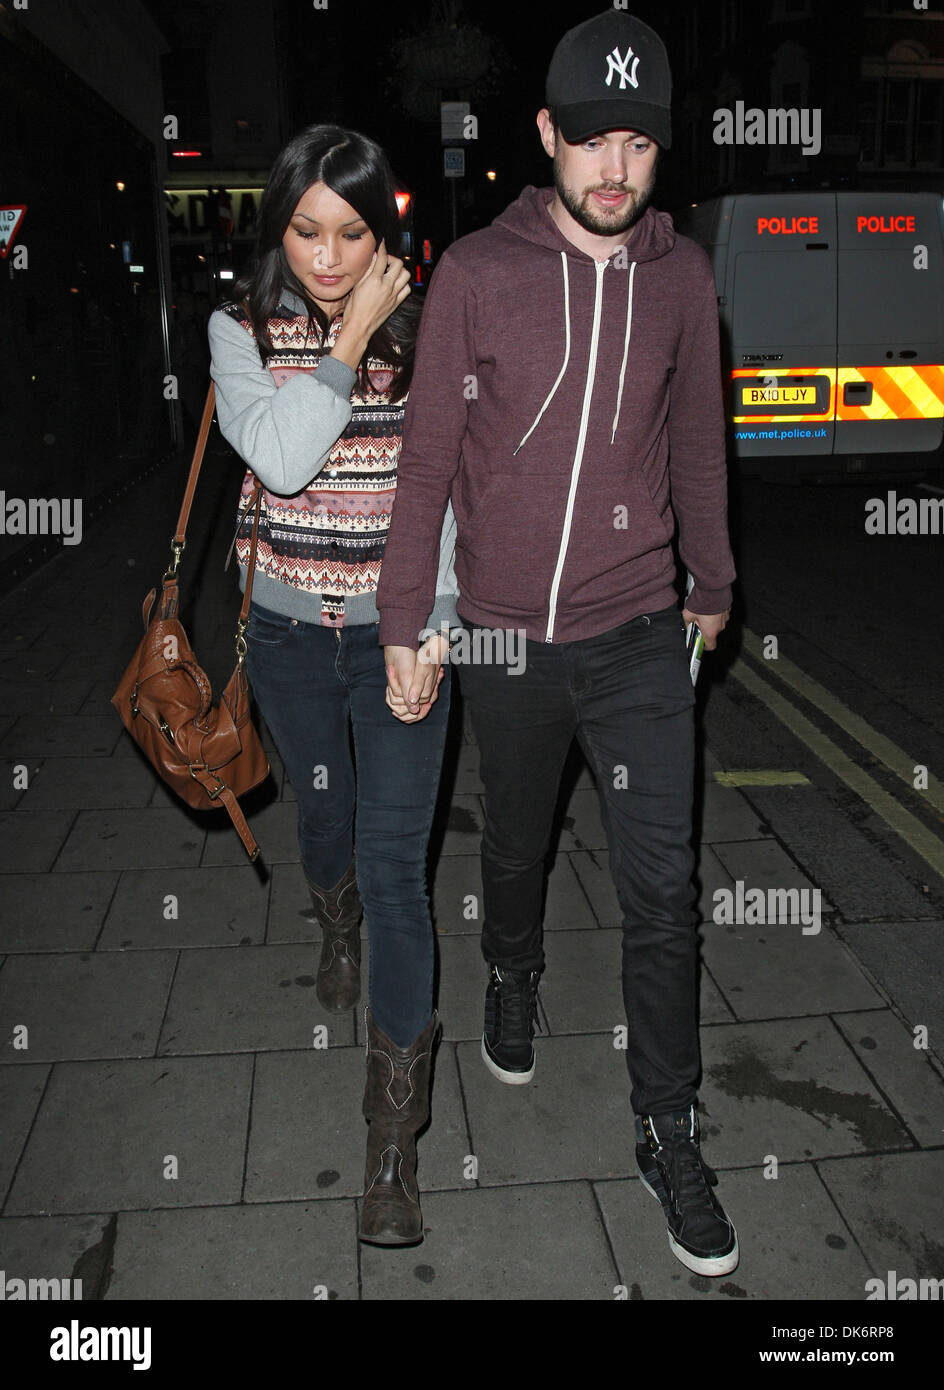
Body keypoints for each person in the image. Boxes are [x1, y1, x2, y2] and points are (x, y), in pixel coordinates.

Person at [376, 11, 739, 1276]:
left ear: (657, 153)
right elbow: (424, 469)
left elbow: (698, 438)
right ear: (547, 135)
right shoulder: (477, 272)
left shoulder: (681, 277)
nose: (611, 168)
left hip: (641, 635)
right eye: (590, 140)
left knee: (660, 892)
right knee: (515, 843)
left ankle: (666, 1125)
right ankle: (512, 971)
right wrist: (405, 625)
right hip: (505, 640)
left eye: (636, 145)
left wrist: (712, 582)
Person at [208, 124, 457, 1246]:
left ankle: (390, 1152)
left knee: (400, 867)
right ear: (277, 227)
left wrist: (440, 620)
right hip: (292, 642)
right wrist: (347, 340)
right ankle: (331, 917)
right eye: (305, 229)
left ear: (382, 231)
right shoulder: (234, 333)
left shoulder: (436, 325)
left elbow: (448, 483)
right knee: (325, 822)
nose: (326, 253)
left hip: (397, 637)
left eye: (352, 233)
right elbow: (284, 457)